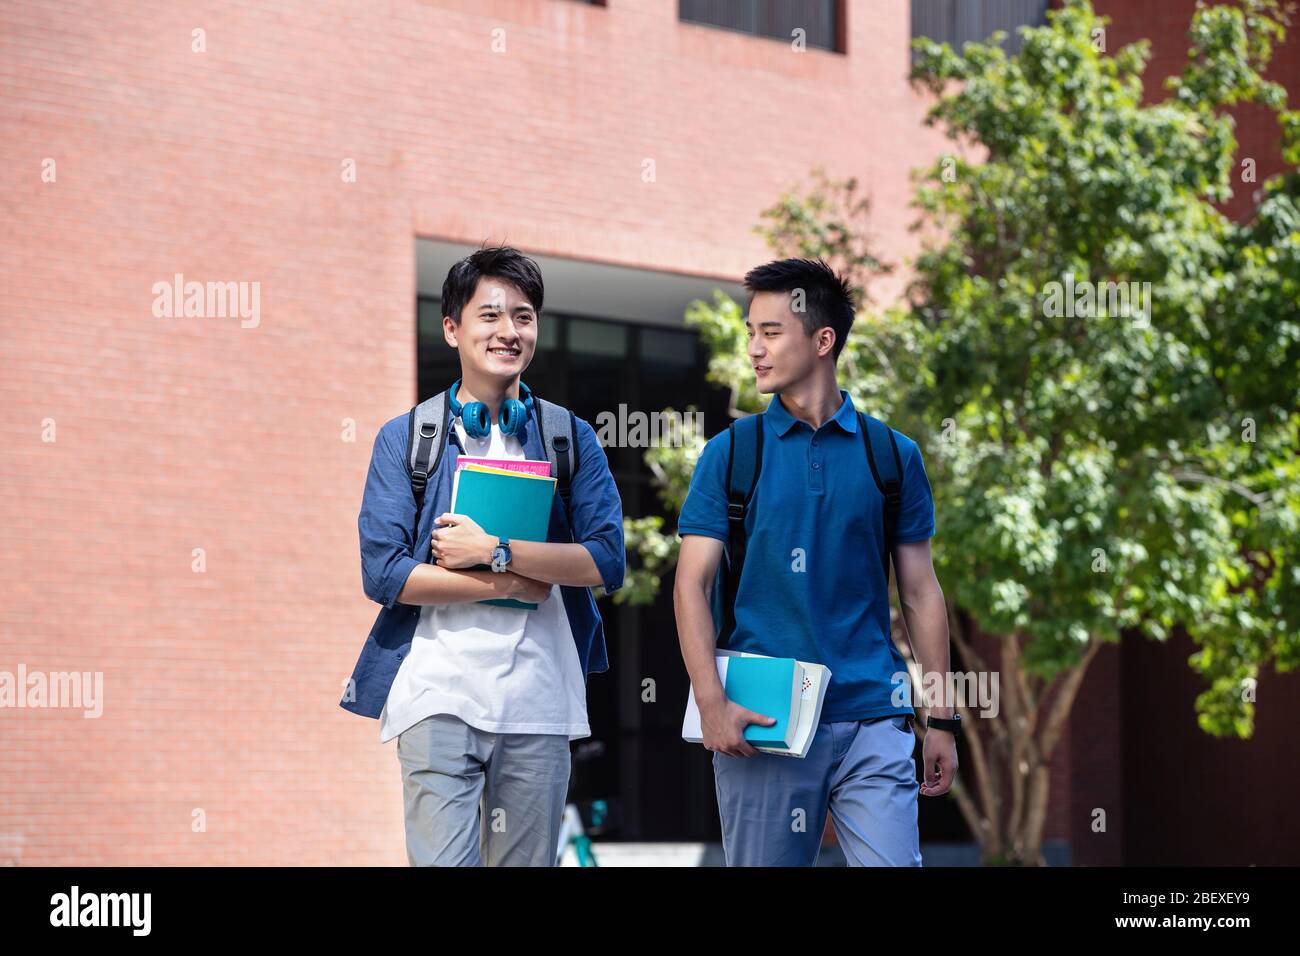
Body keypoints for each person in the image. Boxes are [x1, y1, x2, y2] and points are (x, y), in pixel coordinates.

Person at [341, 245, 625, 866]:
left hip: (539, 701)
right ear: (452, 328)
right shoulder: (408, 438)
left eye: (523, 317)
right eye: (490, 315)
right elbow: (384, 573)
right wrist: (504, 584)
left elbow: (606, 559)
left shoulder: (568, 438)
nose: (508, 331)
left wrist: (495, 551)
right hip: (436, 696)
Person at [673, 257, 957, 866]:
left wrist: (944, 719)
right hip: (763, 721)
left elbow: (921, 593)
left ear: (822, 340)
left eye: (770, 332)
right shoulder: (731, 455)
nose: (754, 348)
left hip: (873, 718)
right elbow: (690, 586)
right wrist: (711, 702)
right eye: (751, 332)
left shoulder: (891, 455)